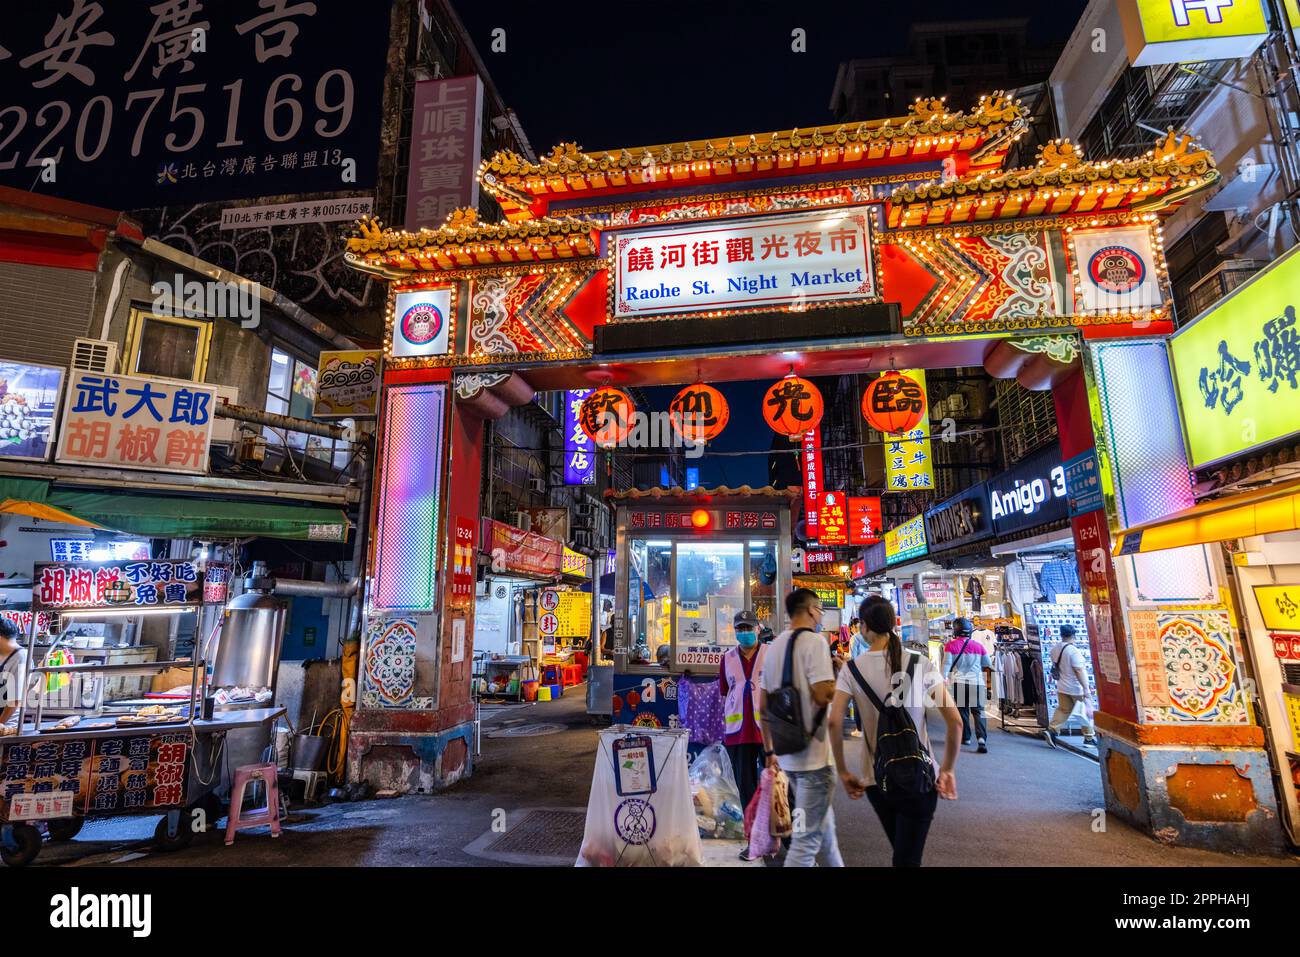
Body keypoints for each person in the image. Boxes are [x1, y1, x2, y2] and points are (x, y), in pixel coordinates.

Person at [829, 595, 961, 867]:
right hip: (921, 776)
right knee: (907, 857)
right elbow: (955, 721)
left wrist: (843, 771)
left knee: (902, 852)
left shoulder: (851, 670)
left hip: (877, 777)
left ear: (863, 626)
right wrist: (946, 769)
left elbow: (833, 722)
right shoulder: (920, 662)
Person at [759, 587, 843, 867]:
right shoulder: (815, 642)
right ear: (809, 610)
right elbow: (822, 695)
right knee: (805, 844)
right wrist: (839, 676)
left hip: (788, 755)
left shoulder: (772, 648)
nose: (820, 615)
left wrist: (770, 750)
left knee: (825, 835)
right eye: (819, 610)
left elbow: (763, 707)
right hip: (815, 760)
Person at [718, 609, 766, 860]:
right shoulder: (726, 658)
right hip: (738, 734)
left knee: (778, 789)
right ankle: (754, 841)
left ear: (758, 628)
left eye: (749, 627)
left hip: (768, 733)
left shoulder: (771, 654)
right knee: (746, 790)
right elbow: (725, 692)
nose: (745, 632)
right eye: (740, 628)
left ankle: (788, 843)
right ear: (734, 631)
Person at [942, 616, 992, 753]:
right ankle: (981, 739)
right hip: (977, 682)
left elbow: (946, 665)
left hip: (960, 682)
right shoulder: (979, 646)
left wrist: (943, 679)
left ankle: (966, 738)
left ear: (955, 630)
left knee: (963, 711)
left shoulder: (951, 645)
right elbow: (988, 663)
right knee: (979, 712)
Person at [1044, 625, 1097, 747]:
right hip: (1076, 688)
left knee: (1063, 710)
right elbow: (1079, 670)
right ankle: (1089, 738)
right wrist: (1086, 689)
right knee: (1084, 712)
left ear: (1061, 634)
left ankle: (1052, 730)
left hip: (1062, 686)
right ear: (1074, 635)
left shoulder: (1055, 649)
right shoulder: (1073, 651)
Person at [0, 618, 28, 727]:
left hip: (6, 724)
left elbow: (15, 700)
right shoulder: (2, 653)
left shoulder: (21, 657)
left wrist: (0, 723)